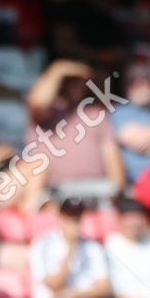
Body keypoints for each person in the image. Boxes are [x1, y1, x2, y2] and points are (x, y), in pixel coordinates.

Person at [31, 198, 142, 298]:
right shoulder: (44, 244)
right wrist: (71, 248)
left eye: (77, 217)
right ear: (61, 218)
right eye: (70, 217)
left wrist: (71, 295)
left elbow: (104, 288)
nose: (74, 222)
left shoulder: (92, 246)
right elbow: (54, 285)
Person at [22, 59, 127, 205]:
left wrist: (117, 191)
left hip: (95, 191)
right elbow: (38, 101)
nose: (75, 86)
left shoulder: (95, 113)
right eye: (69, 81)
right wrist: (59, 70)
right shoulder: (45, 112)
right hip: (52, 193)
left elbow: (111, 154)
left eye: (80, 82)